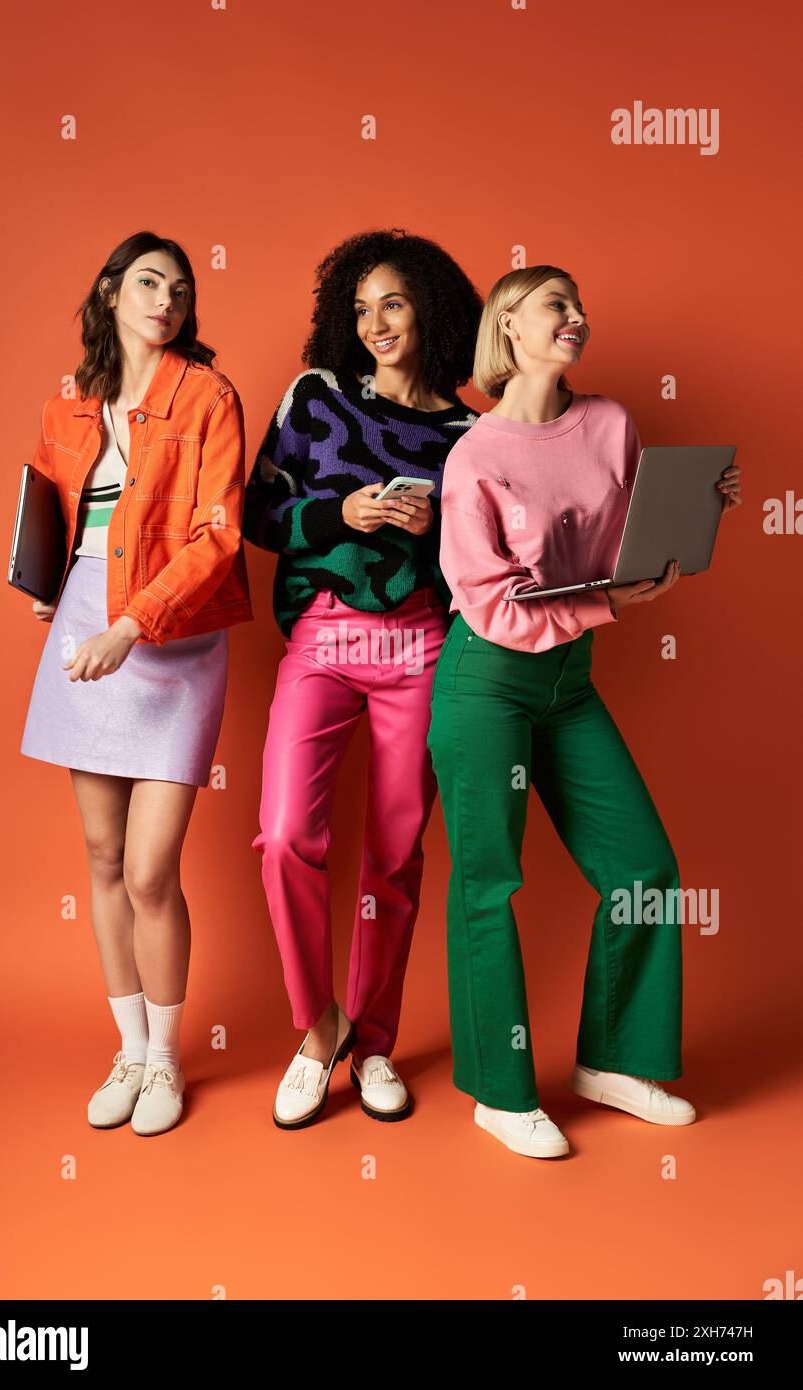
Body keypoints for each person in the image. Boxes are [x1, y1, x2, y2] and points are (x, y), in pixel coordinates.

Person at [426, 264, 742, 1159]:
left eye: (578, 304)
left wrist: (692, 515)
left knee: (644, 867)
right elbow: (488, 602)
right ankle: (501, 1092)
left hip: (569, 683)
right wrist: (615, 603)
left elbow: (627, 543)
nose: (577, 317)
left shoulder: (610, 424)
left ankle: (615, 1061)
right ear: (511, 328)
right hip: (487, 680)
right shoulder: (476, 456)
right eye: (555, 305)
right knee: (490, 882)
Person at [242, 228, 483, 1127]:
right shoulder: (317, 398)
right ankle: (319, 1032)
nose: (375, 323)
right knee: (282, 837)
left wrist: (432, 533)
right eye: (360, 307)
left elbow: (484, 563)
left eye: (393, 302)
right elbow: (256, 513)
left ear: (432, 308)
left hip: (420, 644)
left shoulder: (469, 432)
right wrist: (337, 511)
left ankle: (375, 1043)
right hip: (326, 637)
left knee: (394, 855)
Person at [20, 230, 252, 1137]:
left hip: (169, 633)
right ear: (112, 291)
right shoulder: (69, 400)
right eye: (150, 282)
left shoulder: (208, 396)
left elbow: (220, 533)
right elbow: (54, 510)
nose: (167, 299)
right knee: (105, 860)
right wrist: (49, 590)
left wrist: (132, 624)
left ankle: (165, 1061)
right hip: (86, 626)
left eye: (182, 289)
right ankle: (125, 1049)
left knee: (154, 869)